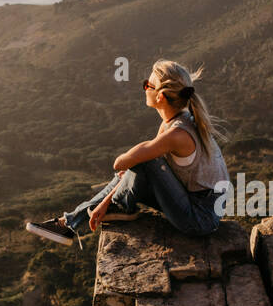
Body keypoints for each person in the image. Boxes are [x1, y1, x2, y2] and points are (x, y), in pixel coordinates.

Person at [26, 59, 228, 248]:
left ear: (160, 96)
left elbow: (120, 162)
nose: (144, 88)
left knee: (144, 163)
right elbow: (128, 169)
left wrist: (139, 153)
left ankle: (108, 212)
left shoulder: (176, 134)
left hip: (200, 218)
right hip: (199, 205)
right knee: (134, 169)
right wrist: (105, 204)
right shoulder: (179, 121)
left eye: (147, 85)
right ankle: (69, 223)